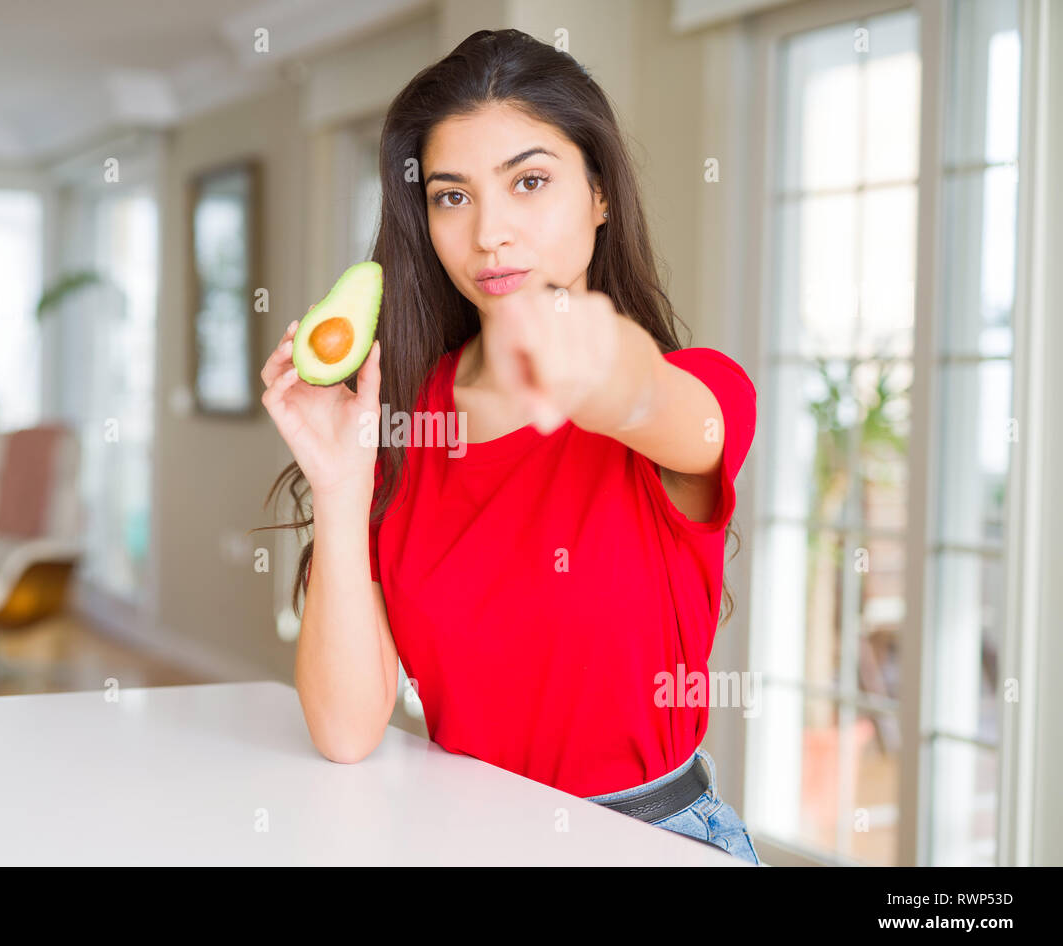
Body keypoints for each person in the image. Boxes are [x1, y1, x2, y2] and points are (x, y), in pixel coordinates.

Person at [254, 29, 760, 866]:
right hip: (462, 837)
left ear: (600, 193)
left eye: (530, 182)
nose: (491, 232)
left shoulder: (693, 393)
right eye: (452, 196)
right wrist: (342, 485)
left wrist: (598, 369)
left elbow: (647, 396)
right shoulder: (406, 421)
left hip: (650, 841)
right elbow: (346, 731)